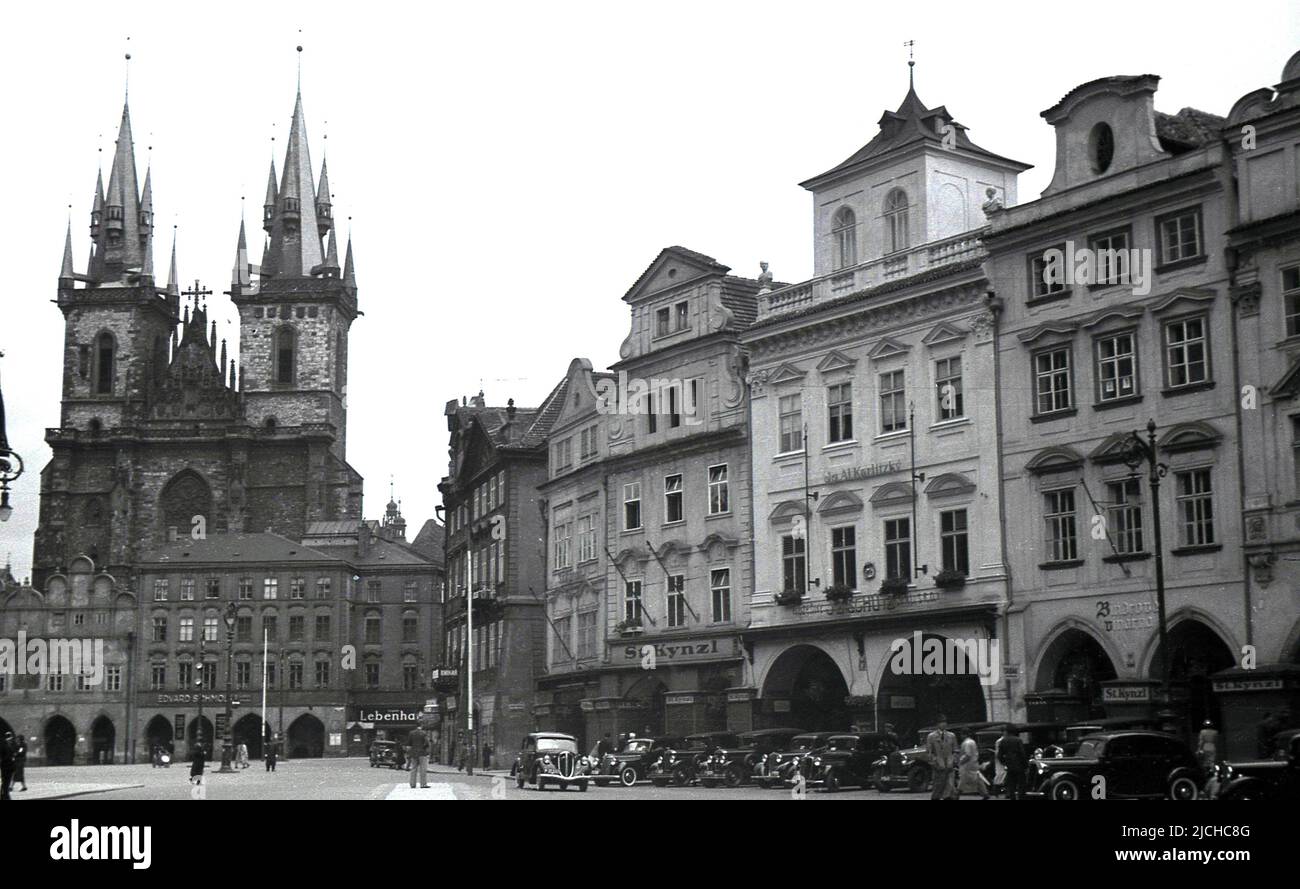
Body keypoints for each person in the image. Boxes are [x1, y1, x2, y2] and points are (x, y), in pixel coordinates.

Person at [925, 716, 958, 800]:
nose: (943, 724)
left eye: (945, 722)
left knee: (950, 787)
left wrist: (953, 761)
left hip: (950, 766)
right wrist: (935, 763)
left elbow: (955, 750)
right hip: (938, 767)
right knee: (938, 787)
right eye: (941, 722)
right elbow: (929, 752)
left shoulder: (951, 736)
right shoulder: (931, 736)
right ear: (937, 724)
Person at [997, 725, 1028, 801]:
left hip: (1009, 765)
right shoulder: (1018, 740)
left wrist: (1004, 762)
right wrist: (1025, 764)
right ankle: (1021, 797)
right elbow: (1022, 753)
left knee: (1011, 784)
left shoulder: (1003, 741)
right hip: (1019, 765)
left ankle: (1012, 797)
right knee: (1021, 784)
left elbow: (999, 755)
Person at [955, 735, 989, 799]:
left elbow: (968, 755)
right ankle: (985, 793)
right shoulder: (973, 742)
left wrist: (960, 762)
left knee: (962, 779)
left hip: (967, 764)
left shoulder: (966, 743)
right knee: (977, 778)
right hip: (974, 763)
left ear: (963, 734)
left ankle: (957, 794)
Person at [407, 723, 431, 789]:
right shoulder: (424, 733)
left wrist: (409, 752)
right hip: (422, 753)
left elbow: (409, 744)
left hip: (414, 753)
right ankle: (423, 784)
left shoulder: (411, 733)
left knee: (413, 768)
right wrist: (425, 748)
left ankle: (412, 784)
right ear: (421, 726)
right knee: (423, 769)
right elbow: (427, 743)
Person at [1, 732, 15, 801]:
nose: (11, 740)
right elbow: (4, 757)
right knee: (5, 782)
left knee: (6, 782)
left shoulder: (8, 745)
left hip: (8, 767)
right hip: (6, 767)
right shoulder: (4, 746)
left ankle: (5, 796)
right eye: (10, 739)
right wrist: (11, 758)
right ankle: (5, 796)